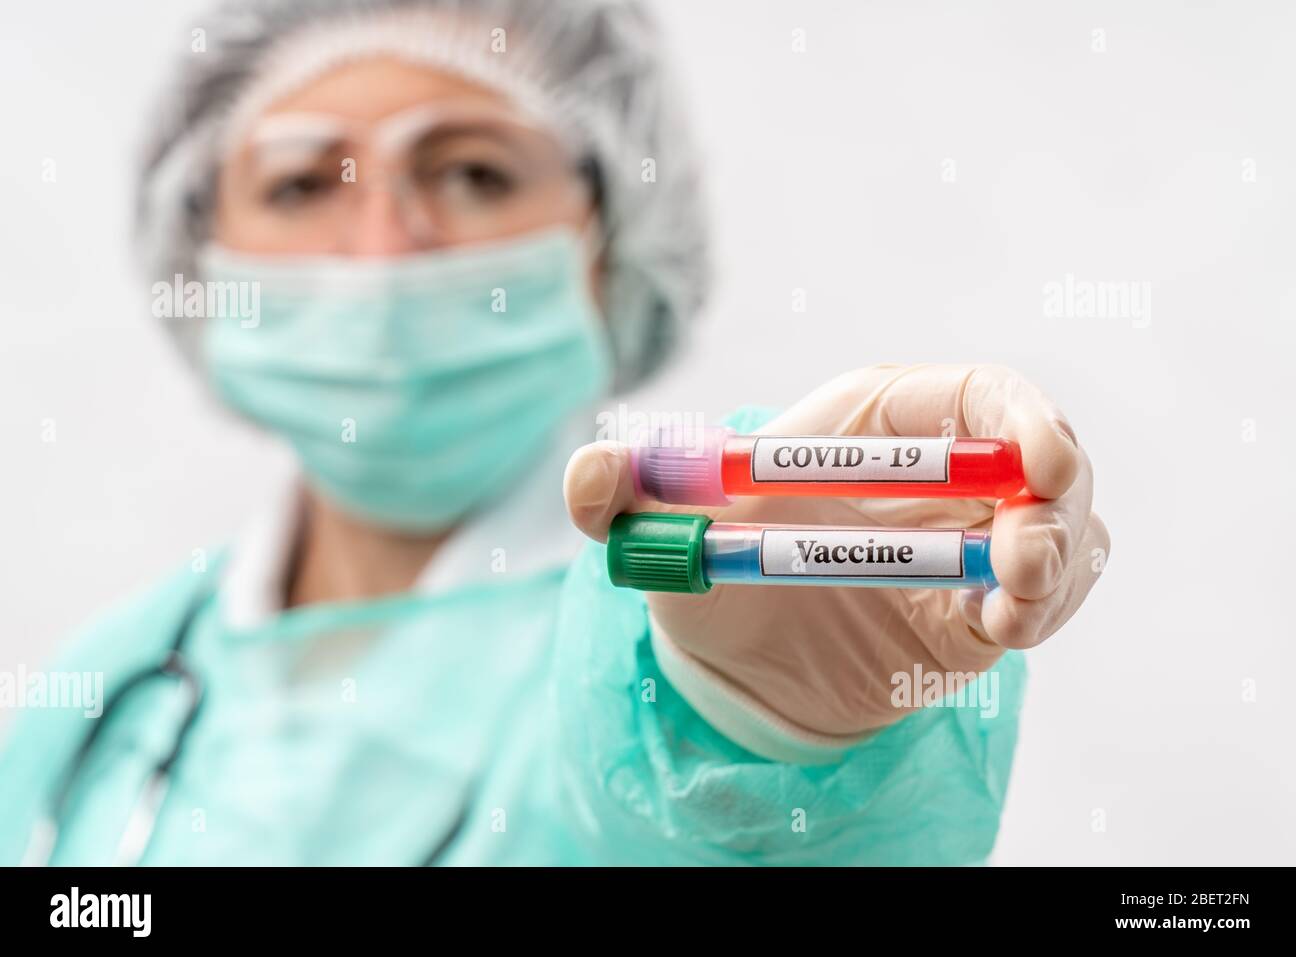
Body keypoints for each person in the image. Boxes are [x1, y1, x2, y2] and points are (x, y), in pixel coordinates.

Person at [0, 0, 1108, 866]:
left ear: (611, 237)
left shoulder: (662, 639)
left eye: (472, 172)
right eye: (302, 184)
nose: (384, 250)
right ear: (199, 253)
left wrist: (759, 737)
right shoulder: (117, 678)